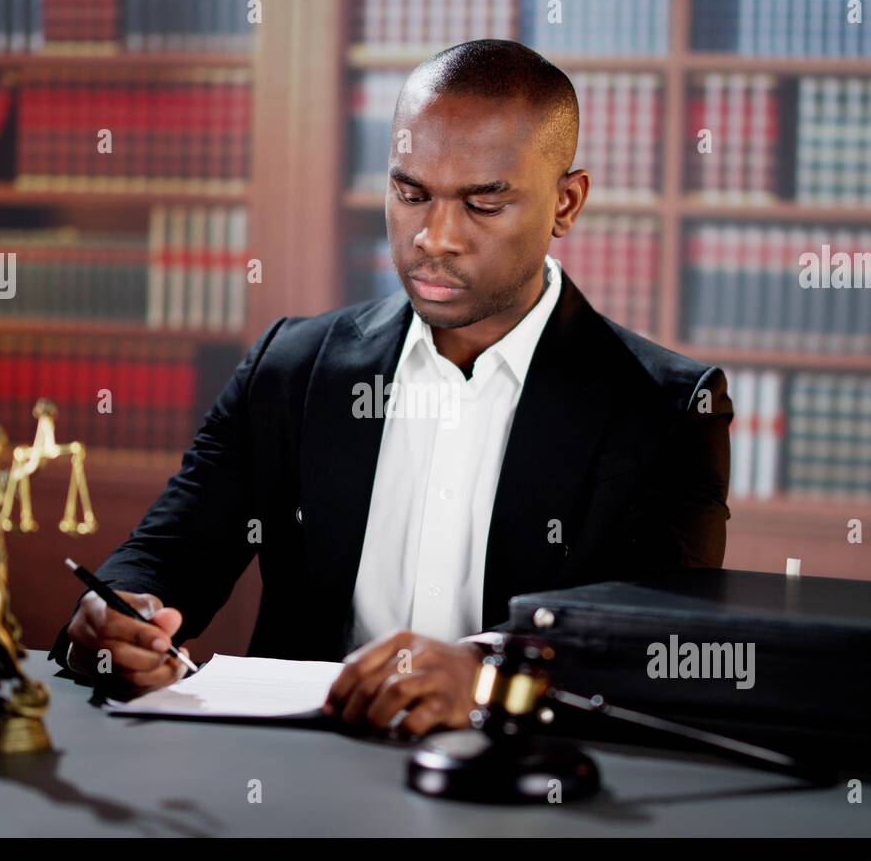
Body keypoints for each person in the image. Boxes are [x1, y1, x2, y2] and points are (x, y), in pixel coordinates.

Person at [50, 39, 732, 737]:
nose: (434, 237)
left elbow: (659, 657)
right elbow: (167, 556)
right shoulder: (292, 368)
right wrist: (111, 620)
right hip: (288, 785)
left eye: (483, 204)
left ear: (566, 203)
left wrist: (492, 682)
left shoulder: (669, 410)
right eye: (410, 194)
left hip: (526, 795)